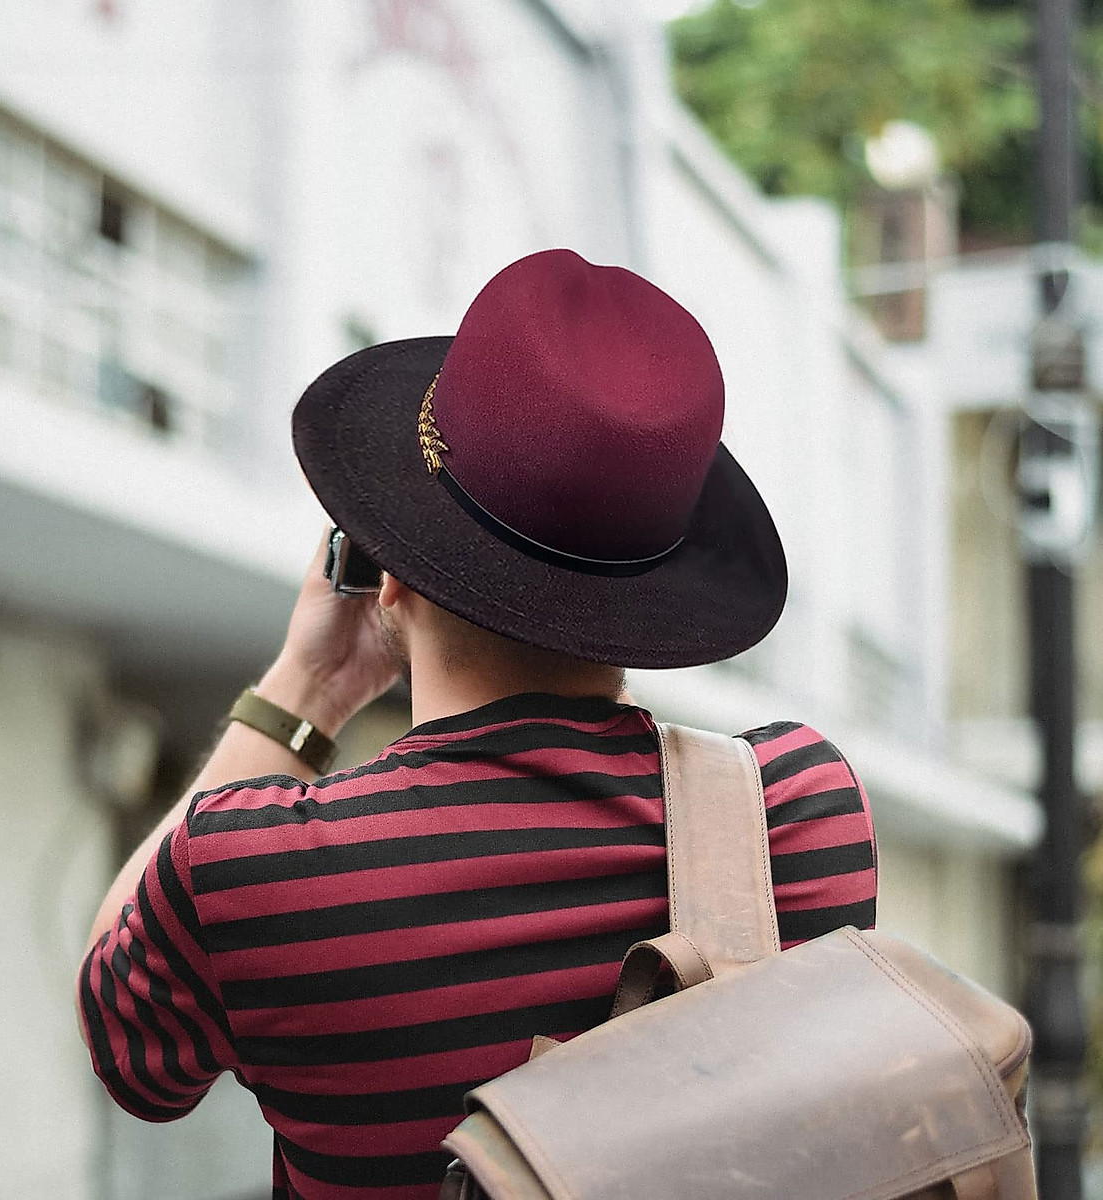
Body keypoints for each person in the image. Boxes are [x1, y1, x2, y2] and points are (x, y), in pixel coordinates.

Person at [77, 249, 877, 1200]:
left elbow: (124, 1041)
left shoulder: (249, 872)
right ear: (660, 583)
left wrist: (307, 688)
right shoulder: (797, 810)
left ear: (388, 569)